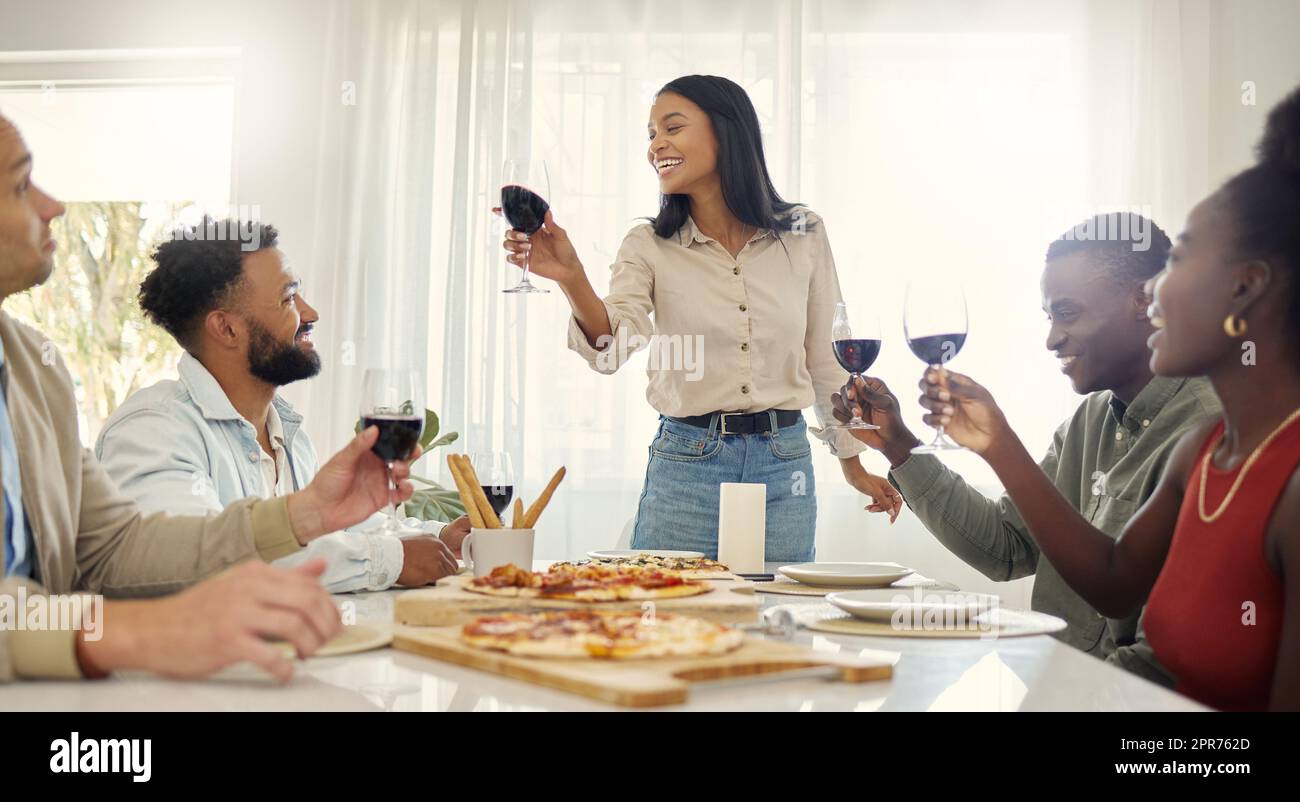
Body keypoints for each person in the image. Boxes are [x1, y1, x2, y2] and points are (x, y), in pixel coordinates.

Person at [909, 88, 1300, 710]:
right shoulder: (1200, 452)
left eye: (1180, 259)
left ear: (1244, 289)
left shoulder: (1278, 476)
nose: (1155, 294)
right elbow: (1112, 584)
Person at [0, 111, 417, 682]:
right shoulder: (154, 422)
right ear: (225, 327)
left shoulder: (31, 370)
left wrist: (305, 514)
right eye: (22, 185)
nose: (55, 205)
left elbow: (116, 551)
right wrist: (129, 633)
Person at [499, 74, 901, 561]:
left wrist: (852, 463)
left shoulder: (803, 232)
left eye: (672, 127)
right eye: (650, 134)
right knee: (670, 621)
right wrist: (571, 277)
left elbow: (825, 359)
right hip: (687, 463)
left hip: (785, 464)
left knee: (773, 623)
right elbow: (611, 351)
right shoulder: (648, 244)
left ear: (725, 131)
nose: (656, 146)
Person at [835, 213, 1220, 686]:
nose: (1052, 338)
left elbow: (1160, 665)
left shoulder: (1211, 430)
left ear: (1144, 300)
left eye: (1068, 312)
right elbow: (1007, 548)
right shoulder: (1089, 419)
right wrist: (899, 445)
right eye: (1049, 316)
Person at [96, 220, 470, 592]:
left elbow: (331, 530)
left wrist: (442, 537)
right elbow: (198, 561)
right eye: (289, 298)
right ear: (226, 329)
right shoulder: (155, 430)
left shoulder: (286, 434)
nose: (311, 313)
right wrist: (388, 561)